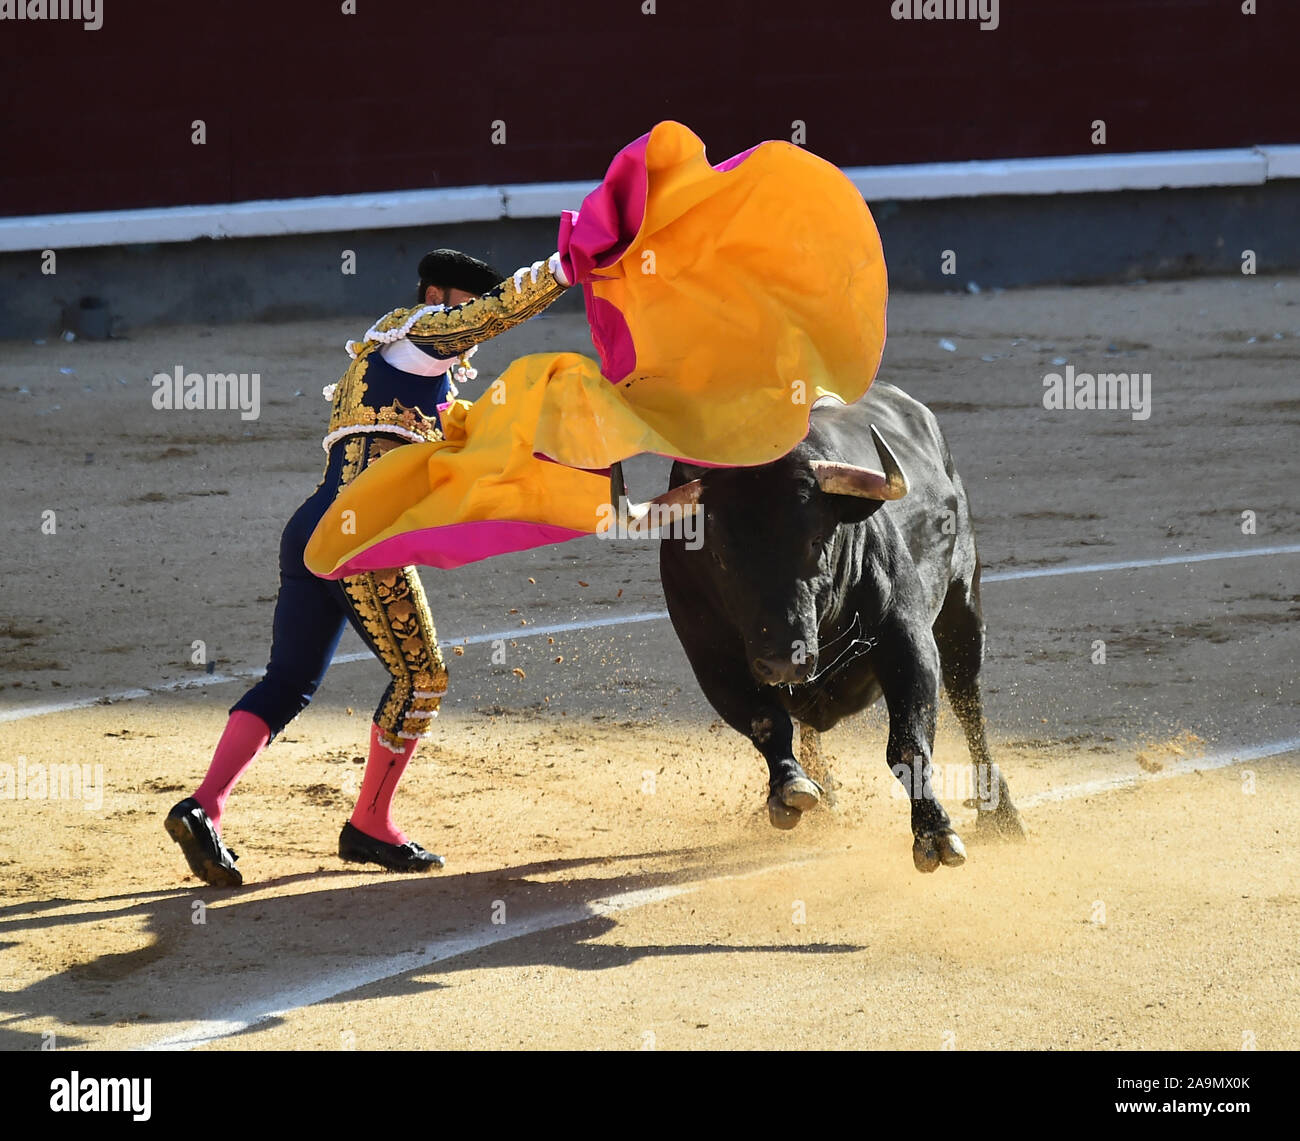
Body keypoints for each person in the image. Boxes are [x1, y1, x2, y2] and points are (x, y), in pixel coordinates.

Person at [165, 248, 571, 886]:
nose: (468, 328)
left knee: (290, 682)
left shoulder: (379, 365)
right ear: (439, 296)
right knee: (423, 678)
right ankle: (369, 824)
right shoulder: (415, 335)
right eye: (464, 302)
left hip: (313, 531)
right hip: (360, 542)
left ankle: (203, 806)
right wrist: (566, 268)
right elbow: (490, 317)